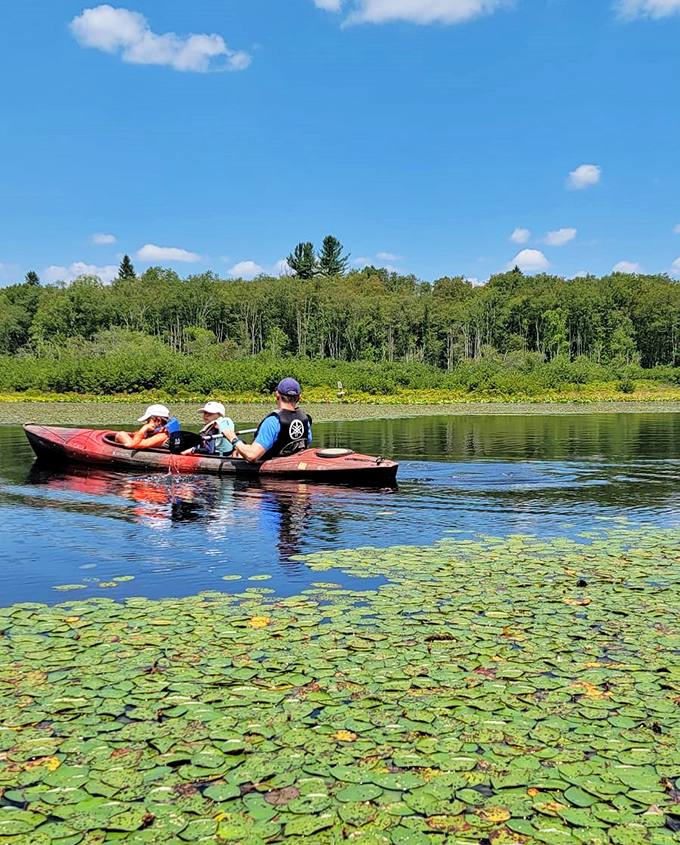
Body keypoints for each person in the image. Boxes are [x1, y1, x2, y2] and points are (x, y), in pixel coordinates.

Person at [225, 378, 311, 463]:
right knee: (243, 447)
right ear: (299, 397)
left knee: (239, 450)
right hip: (292, 463)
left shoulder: (273, 421)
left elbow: (252, 456)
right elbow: (305, 442)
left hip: (271, 468)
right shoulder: (304, 419)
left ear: (277, 395)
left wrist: (233, 439)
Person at [114, 404, 180, 450]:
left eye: (148, 421)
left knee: (121, 435)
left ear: (158, 420)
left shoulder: (163, 436)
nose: (147, 424)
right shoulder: (160, 432)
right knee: (121, 434)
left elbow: (134, 445)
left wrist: (144, 429)